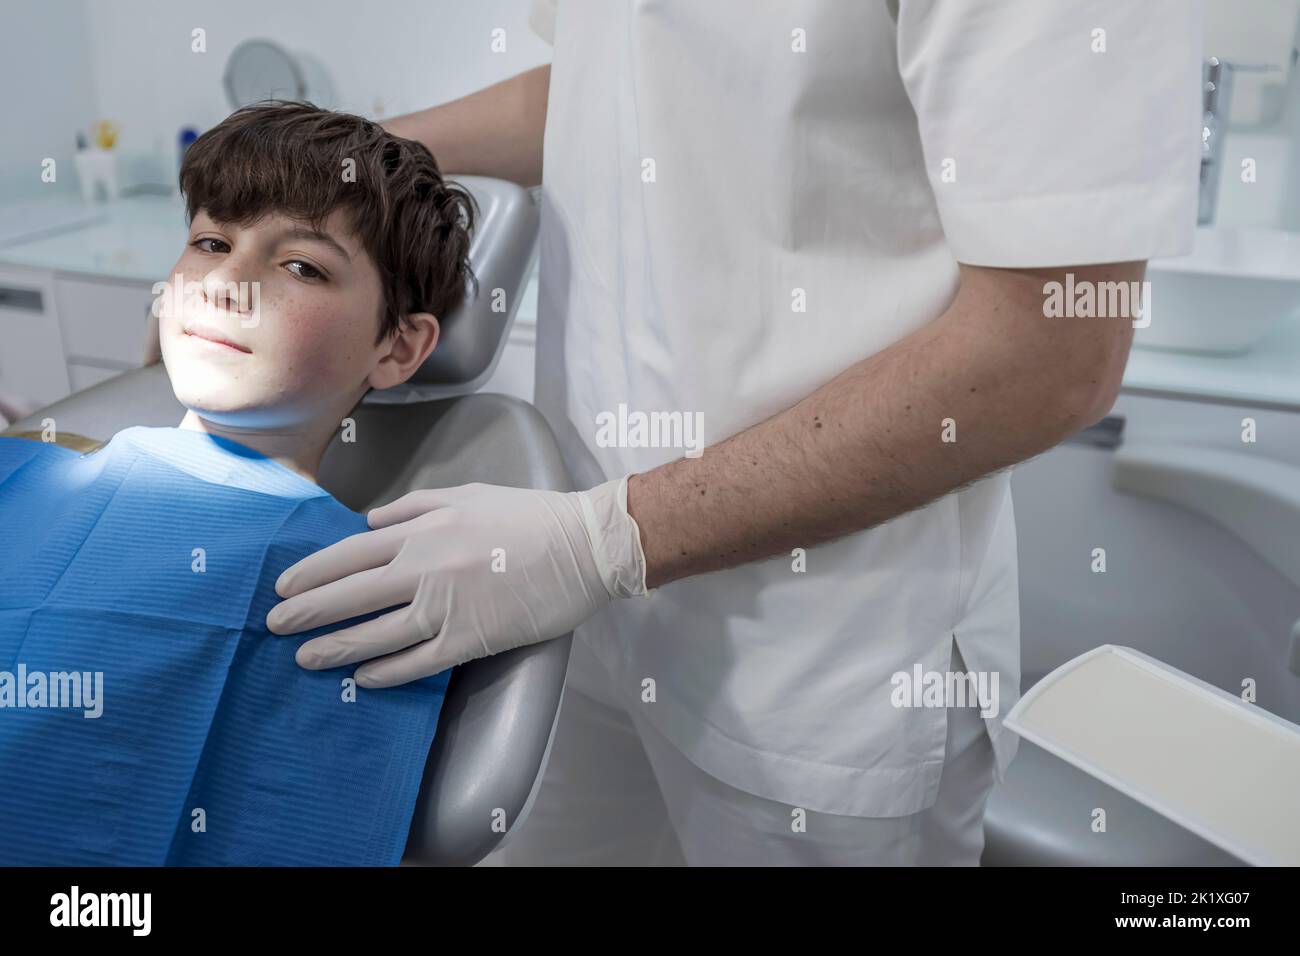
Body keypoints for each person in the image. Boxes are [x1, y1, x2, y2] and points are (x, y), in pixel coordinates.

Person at [268, 0, 1202, 865]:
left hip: (820, 659)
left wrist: (602, 542)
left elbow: (1051, 352)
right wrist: (323, 178)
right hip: (578, 609)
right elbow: (612, 86)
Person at [0, 101, 475, 865]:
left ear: (397, 345)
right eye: (211, 241)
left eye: (301, 266)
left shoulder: (359, 588)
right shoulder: (31, 467)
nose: (227, 281)